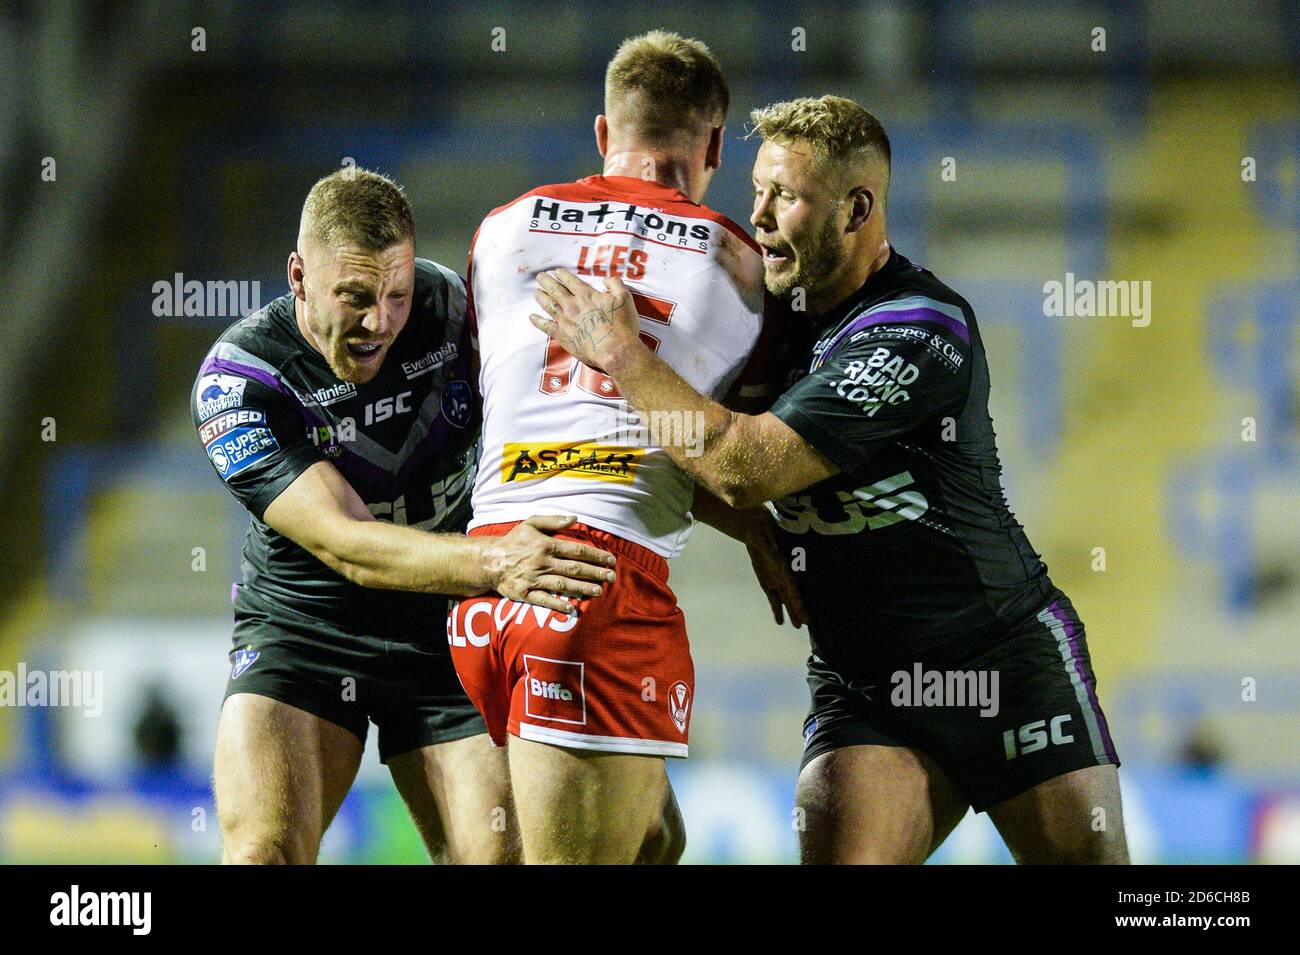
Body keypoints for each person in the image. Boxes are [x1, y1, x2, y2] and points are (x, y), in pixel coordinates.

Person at [531, 95, 1128, 864]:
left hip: (1002, 659)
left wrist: (621, 353)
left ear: (857, 209)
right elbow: (661, 444)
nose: (759, 216)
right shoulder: (761, 318)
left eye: (786, 196)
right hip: (864, 685)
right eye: (758, 190)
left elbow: (742, 465)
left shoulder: (917, 329)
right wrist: (750, 526)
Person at [192, 167, 618, 864]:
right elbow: (347, 543)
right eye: (354, 297)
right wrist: (496, 560)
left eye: (396, 294)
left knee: (498, 859)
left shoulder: (452, 309)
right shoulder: (241, 378)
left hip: (445, 631)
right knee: (263, 853)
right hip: (305, 630)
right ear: (298, 277)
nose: (379, 322)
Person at [449, 31, 802, 864]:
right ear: (714, 146)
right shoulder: (744, 264)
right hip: (598, 585)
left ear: (604, 133)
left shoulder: (501, 230)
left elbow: (522, 404)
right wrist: (759, 522)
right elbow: (720, 447)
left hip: (487, 576)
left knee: (656, 839)